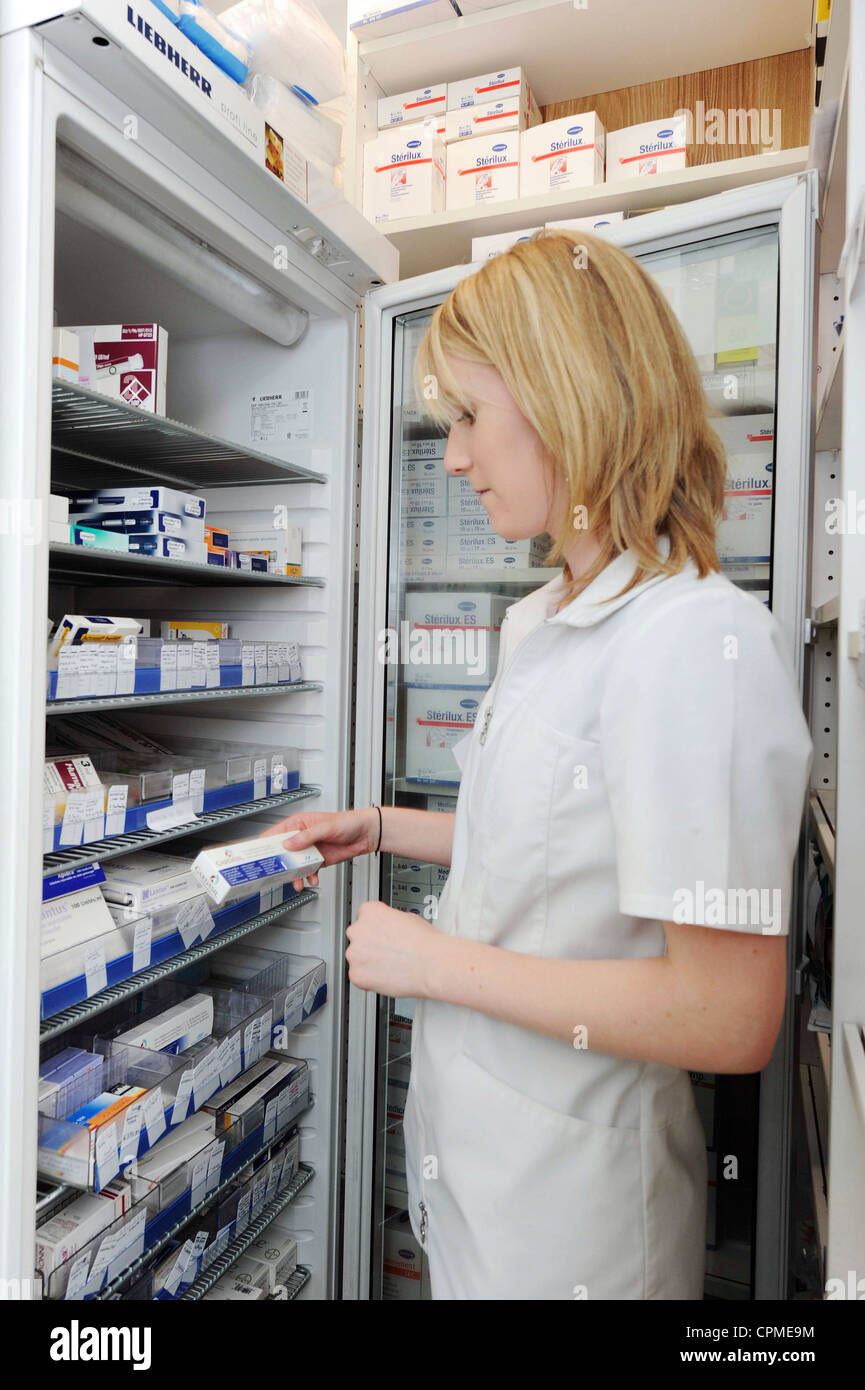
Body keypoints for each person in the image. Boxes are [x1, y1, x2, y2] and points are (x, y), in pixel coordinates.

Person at [273, 230, 813, 1300]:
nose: (454, 458)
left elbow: (726, 1014)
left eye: (469, 417)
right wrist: (377, 827)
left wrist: (432, 963)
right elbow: (550, 842)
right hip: (481, 1171)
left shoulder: (693, 644)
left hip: (577, 1220)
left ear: (570, 399)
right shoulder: (545, 619)